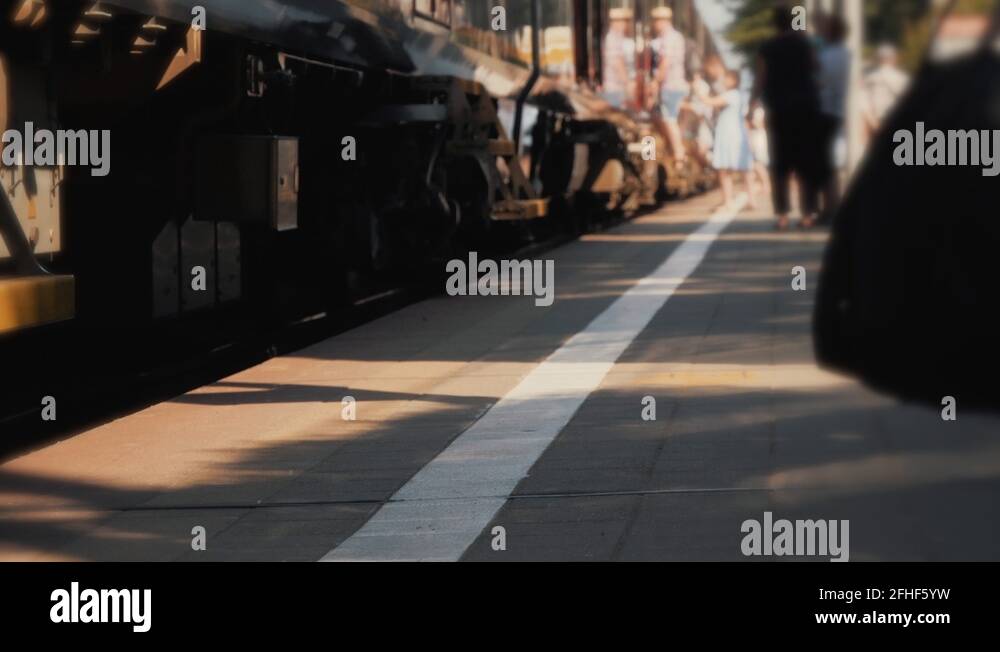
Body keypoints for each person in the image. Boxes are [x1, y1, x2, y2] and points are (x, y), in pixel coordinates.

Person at [750, 4, 822, 230]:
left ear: (775, 24)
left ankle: (782, 216)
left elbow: (760, 79)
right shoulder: (805, 44)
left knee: (780, 164)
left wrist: (752, 105)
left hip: (778, 110)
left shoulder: (767, 47)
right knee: (806, 163)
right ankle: (808, 215)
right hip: (806, 109)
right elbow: (817, 69)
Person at [699, 69, 754, 209]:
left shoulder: (732, 95)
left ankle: (729, 200)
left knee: (725, 169)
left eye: (726, 78)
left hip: (729, 134)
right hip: (733, 133)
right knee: (742, 169)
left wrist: (696, 86)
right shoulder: (736, 95)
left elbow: (709, 101)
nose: (723, 81)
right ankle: (749, 199)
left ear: (734, 81)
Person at [816, 14, 850, 223]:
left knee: (826, 164)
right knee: (833, 163)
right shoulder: (847, 54)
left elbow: (818, 82)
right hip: (839, 111)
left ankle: (830, 206)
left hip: (826, 112)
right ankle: (834, 205)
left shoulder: (827, 56)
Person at [650, 6, 688, 162]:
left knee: (668, 119)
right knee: (657, 119)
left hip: (670, 86)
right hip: (672, 86)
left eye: (656, 21)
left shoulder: (669, 38)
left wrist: (655, 82)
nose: (654, 24)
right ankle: (665, 153)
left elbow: (665, 63)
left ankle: (679, 155)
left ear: (663, 21)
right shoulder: (674, 37)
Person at [863, 44, 910, 137]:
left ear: (879, 59)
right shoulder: (901, 78)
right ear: (893, 59)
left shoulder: (869, 78)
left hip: (872, 122)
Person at [602, 8, 635, 108]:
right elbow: (618, 64)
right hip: (615, 89)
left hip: (619, 89)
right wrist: (628, 84)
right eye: (624, 21)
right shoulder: (612, 38)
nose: (626, 24)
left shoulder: (619, 38)